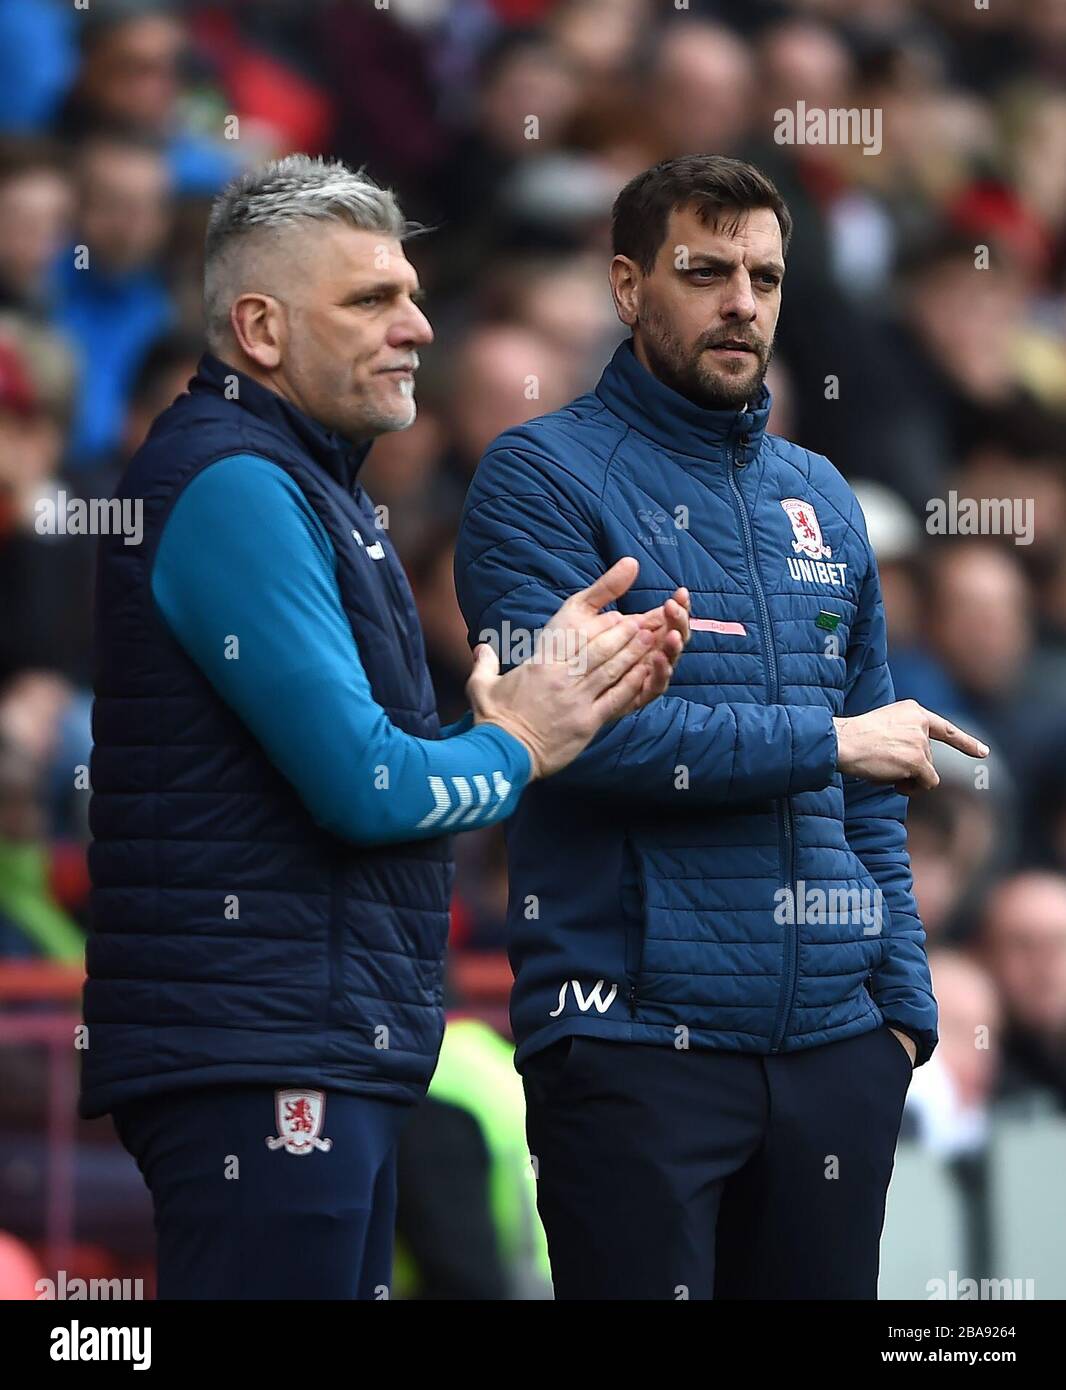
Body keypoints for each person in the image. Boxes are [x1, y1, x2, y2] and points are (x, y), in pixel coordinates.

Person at [80, 154, 689, 1300]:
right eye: (369, 299)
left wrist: (507, 714)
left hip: (306, 1048)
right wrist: (516, 742)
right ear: (258, 327)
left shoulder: (301, 484)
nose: (416, 326)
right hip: (261, 1058)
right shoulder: (233, 486)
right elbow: (364, 786)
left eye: (411, 293)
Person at [455, 154, 988, 1301]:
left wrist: (898, 1017)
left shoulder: (822, 496)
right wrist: (829, 741)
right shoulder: (537, 479)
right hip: (634, 1043)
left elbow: (875, 785)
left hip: (836, 1052)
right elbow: (578, 737)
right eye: (704, 271)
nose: (741, 301)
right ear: (627, 286)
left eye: (765, 275)